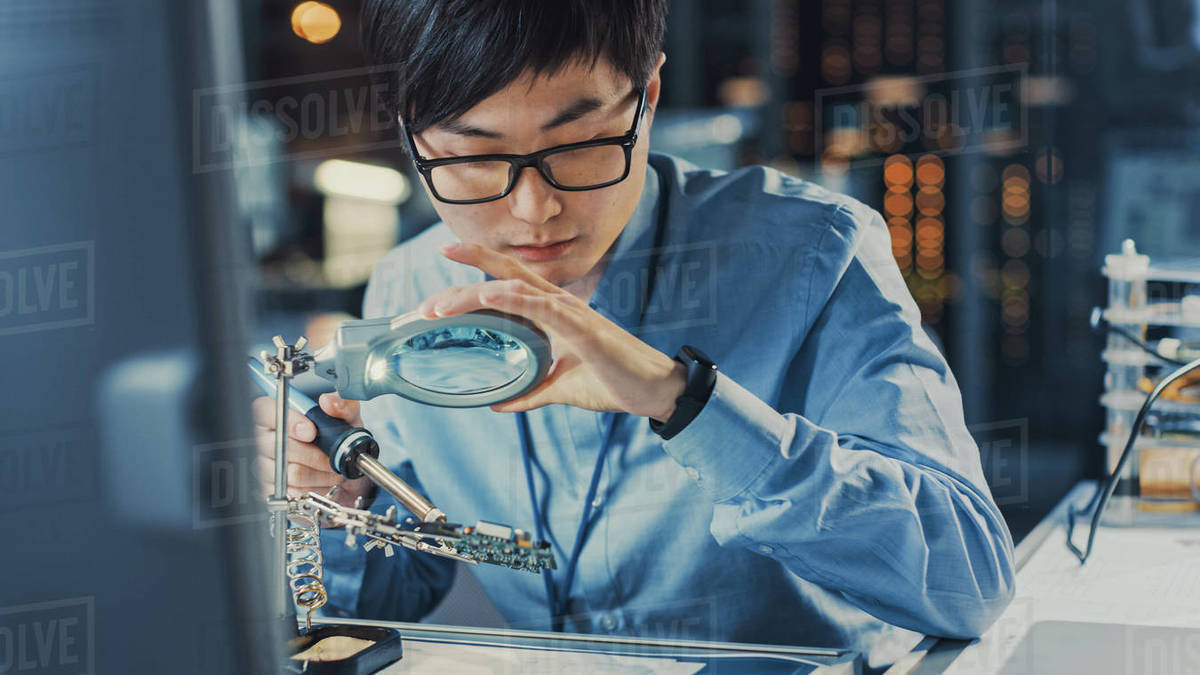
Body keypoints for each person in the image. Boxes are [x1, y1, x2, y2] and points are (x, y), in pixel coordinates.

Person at [252, 0, 1014, 667]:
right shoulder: (409, 286)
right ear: (412, 136)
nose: (532, 210)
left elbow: (970, 577)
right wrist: (340, 502)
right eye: (475, 156)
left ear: (646, 97)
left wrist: (683, 401)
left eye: (577, 144)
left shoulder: (814, 253)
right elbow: (394, 590)